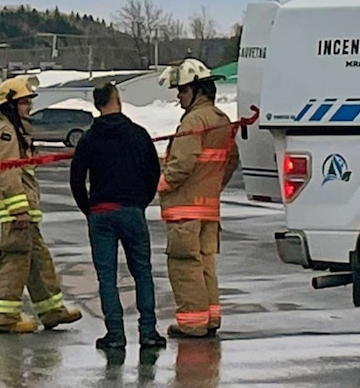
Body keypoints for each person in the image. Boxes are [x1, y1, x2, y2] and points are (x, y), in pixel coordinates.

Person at [70, 81, 166, 352]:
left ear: (97, 104)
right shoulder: (138, 134)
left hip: (100, 212)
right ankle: (148, 331)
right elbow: (153, 172)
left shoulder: (89, 138)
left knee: (107, 276)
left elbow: (76, 178)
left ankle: (115, 334)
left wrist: (88, 208)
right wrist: (140, 202)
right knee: (142, 272)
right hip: (132, 210)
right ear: (117, 99)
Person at [0, 75, 82, 334]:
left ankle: (51, 311)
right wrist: (18, 209)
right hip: (17, 213)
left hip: (26, 212)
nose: (29, 108)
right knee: (15, 261)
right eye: (24, 103)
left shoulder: (16, 131)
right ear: (10, 106)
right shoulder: (6, 132)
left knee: (39, 260)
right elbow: (8, 173)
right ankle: (6, 318)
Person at [157, 59, 240, 339]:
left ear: (196, 89)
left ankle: (192, 323)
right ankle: (210, 318)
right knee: (205, 265)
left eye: (181, 91)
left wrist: (161, 185)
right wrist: (213, 188)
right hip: (209, 211)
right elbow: (230, 161)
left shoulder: (194, 120)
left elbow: (182, 163)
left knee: (185, 266)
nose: (179, 98)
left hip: (185, 211)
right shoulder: (221, 119)